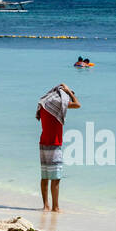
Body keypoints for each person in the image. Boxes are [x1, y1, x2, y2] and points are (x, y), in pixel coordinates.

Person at [37, 82, 80, 211]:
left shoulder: (44, 105)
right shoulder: (59, 105)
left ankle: (45, 206)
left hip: (43, 142)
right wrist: (69, 92)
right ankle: (55, 207)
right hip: (54, 145)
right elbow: (78, 105)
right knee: (56, 178)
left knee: (45, 176)